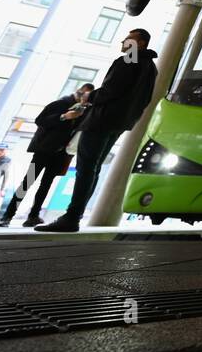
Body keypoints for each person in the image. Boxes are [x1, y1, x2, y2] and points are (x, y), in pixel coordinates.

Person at [37, 29, 159, 233]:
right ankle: (75, 215)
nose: (123, 41)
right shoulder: (150, 67)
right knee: (93, 168)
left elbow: (112, 89)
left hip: (101, 120)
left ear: (141, 43)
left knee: (86, 168)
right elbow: (144, 100)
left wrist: (89, 97)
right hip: (119, 123)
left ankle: (72, 217)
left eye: (129, 38)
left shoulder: (130, 59)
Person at [0, 84, 93, 228]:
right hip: (44, 150)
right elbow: (40, 120)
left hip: (61, 154)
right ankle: (7, 216)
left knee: (46, 185)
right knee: (28, 182)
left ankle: (33, 216)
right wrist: (64, 116)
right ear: (79, 94)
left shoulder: (84, 111)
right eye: (85, 97)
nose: (85, 102)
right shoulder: (61, 103)